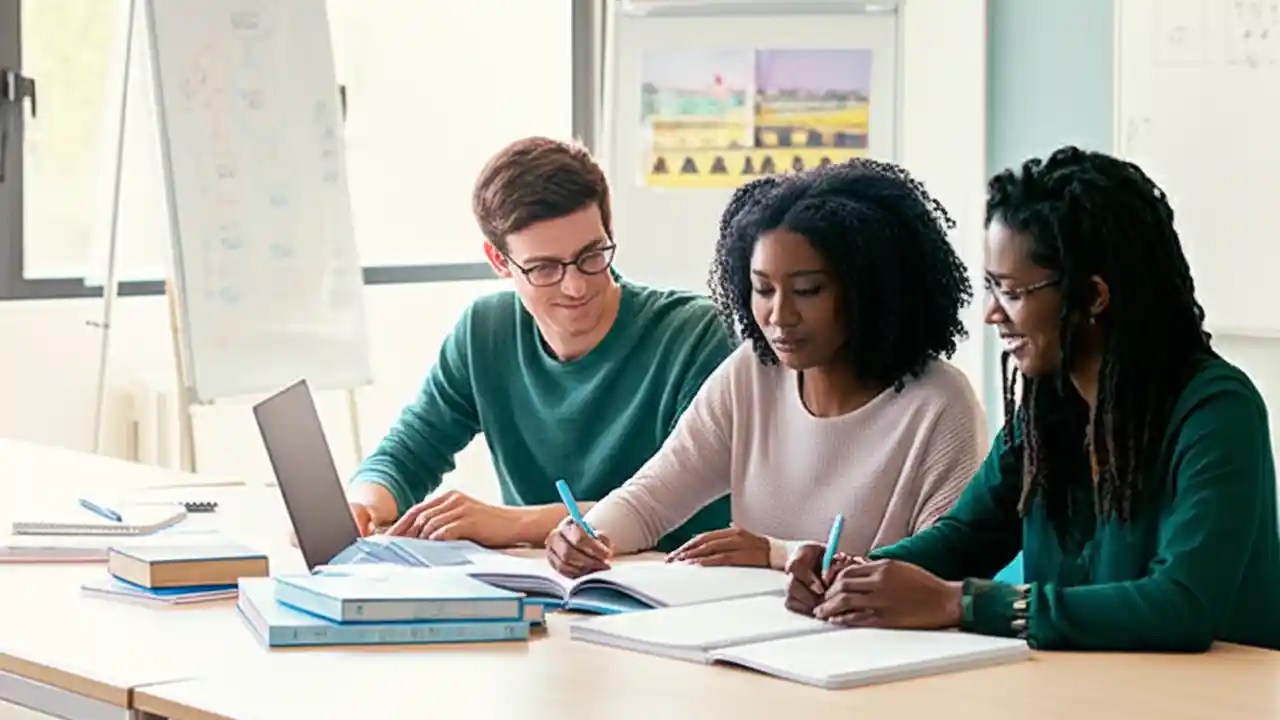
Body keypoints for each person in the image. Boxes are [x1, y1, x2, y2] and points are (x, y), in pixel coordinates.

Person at [786, 146, 1280, 652]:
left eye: (1013, 293)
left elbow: (1183, 606)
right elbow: (964, 537)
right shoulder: (1048, 411)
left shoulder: (1218, 413)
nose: (992, 315)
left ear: (1092, 297)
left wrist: (964, 604)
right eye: (990, 288)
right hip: (1078, 691)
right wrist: (858, 573)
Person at [545, 158, 986, 578]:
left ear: (870, 291)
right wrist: (589, 535)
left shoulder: (940, 404)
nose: (779, 315)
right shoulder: (753, 373)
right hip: (747, 643)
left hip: (872, 648)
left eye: (808, 290)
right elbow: (651, 499)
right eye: (762, 289)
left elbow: (939, 575)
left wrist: (777, 553)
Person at [345, 137, 734, 551]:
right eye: (544, 268)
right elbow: (409, 451)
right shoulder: (485, 333)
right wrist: (363, 504)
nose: (576, 285)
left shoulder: (697, 336)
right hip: (540, 596)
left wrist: (509, 523)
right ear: (499, 262)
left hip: (666, 597)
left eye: (591, 254)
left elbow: (689, 513)